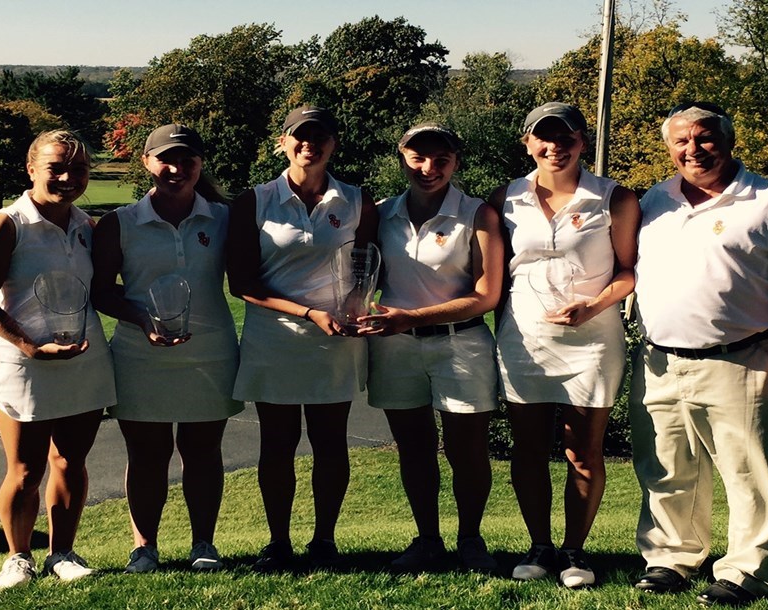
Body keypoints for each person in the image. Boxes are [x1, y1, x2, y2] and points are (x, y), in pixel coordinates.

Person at [629, 102, 768, 606]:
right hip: (659, 361)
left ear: (729, 140)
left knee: (750, 474)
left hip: (744, 359)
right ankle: (671, 557)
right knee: (667, 468)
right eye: (681, 141)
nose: (692, 150)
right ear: (668, 147)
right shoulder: (656, 200)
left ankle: (748, 571)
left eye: (704, 138)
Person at [491, 102, 640, 588]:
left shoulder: (613, 198)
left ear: (582, 141)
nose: (555, 147)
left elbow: (627, 271)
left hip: (592, 342)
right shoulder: (504, 199)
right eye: (544, 138)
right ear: (528, 142)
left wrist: (593, 307)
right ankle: (539, 547)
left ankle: (575, 552)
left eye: (567, 137)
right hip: (524, 340)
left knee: (583, 452)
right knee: (528, 450)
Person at [226, 105, 378, 570]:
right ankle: (278, 542)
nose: (309, 143)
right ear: (283, 141)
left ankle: (324, 541)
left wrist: (357, 303)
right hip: (275, 338)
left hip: (337, 338)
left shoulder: (356, 200)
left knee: (331, 441)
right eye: (300, 135)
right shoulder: (254, 200)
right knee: (278, 442)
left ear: (333, 144)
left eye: (320, 136)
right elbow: (243, 284)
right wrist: (310, 312)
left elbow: (367, 264)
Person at [0, 130, 116, 589]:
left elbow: (105, 292)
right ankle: (18, 557)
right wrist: (29, 344)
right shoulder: (7, 224)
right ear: (31, 170)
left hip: (84, 357)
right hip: (24, 363)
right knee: (26, 469)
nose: (69, 177)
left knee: (71, 461)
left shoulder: (87, 226)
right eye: (56, 168)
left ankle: (62, 554)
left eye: (79, 169)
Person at [91, 124, 242, 574]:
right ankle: (144, 547)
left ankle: (204, 544)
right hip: (140, 354)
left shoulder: (223, 218)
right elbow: (102, 292)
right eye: (165, 160)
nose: (176, 169)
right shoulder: (120, 222)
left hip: (211, 352)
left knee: (203, 450)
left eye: (188, 160)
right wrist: (142, 319)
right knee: (147, 454)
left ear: (201, 164)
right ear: (146, 163)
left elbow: (251, 278)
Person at [358, 123, 505, 572]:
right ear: (402, 157)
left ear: (456, 161)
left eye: (440, 159)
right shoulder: (382, 212)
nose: (428, 168)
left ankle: (470, 539)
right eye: (417, 158)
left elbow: (487, 295)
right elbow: (362, 277)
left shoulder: (478, 215)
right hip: (395, 347)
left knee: (467, 451)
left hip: (461, 344)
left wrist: (413, 318)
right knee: (413, 448)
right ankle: (427, 540)